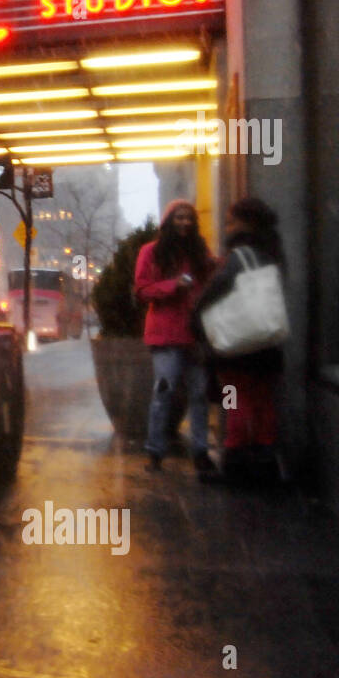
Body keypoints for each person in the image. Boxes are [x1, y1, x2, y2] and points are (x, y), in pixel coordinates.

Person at [193, 197, 287, 484]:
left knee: (234, 400)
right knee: (262, 401)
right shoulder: (272, 252)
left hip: (238, 347)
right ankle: (266, 458)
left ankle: (235, 458)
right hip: (266, 343)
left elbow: (215, 292)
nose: (227, 225)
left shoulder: (240, 255)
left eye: (231, 220)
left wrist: (195, 314)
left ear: (246, 222)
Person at [133, 199, 217, 475]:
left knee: (199, 394)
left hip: (194, 335)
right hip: (166, 335)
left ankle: (201, 452)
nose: (185, 223)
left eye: (189, 218)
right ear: (169, 221)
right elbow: (142, 290)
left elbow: (209, 283)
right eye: (179, 218)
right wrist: (173, 286)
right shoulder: (151, 252)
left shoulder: (199, 253)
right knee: (164, 392)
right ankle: (156, 452)